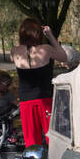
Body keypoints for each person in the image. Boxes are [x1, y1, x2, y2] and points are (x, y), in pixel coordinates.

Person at [10, 18, 69, 147]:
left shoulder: (15, 51)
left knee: (31, 141)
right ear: (39, 34)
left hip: (26, 101)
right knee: (53, 139)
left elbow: (12, 59)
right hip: (45, 99)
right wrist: (51, 36)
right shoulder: (46, 49)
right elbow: (64, 57)